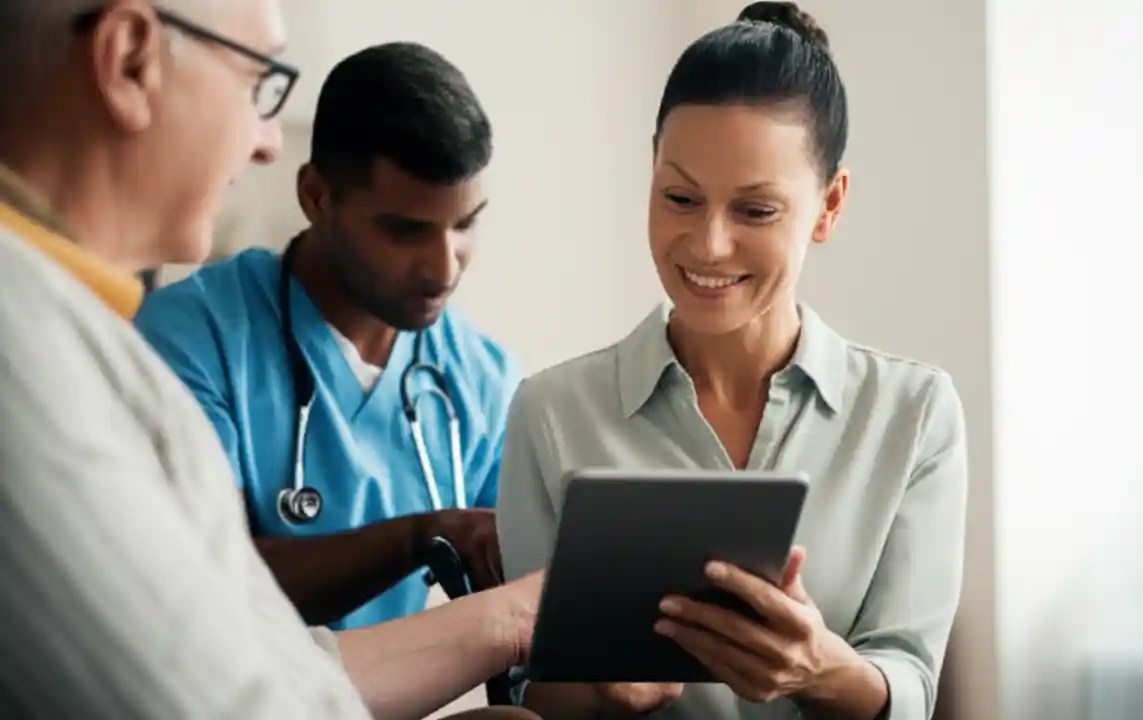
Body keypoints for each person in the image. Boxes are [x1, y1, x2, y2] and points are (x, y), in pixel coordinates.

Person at [0, 1, 541, 717]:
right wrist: (434, 544)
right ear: (130, 58)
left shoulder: (71, 331)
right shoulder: (40, 362)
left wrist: (523, 617)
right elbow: (211, 697)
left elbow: (252, 653)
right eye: (258, 82)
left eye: (464, 226)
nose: (264, 142)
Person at [496, 3, 968, 719]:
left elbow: (909, 686)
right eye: (680, 198)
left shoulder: (913, 415)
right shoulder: (552, 413)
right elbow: (532, 690)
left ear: (829, 206)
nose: (709, 245)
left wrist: (819, 668)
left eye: (755, 211)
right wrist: (601, 689)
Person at [134, 40, 517, 632]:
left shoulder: (479, 377)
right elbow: (207, 583)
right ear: (316, 196)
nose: (444, 268)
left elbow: (530, 569)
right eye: (404, 231)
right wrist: (423, 535)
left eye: (464, 225)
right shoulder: (192, 336)